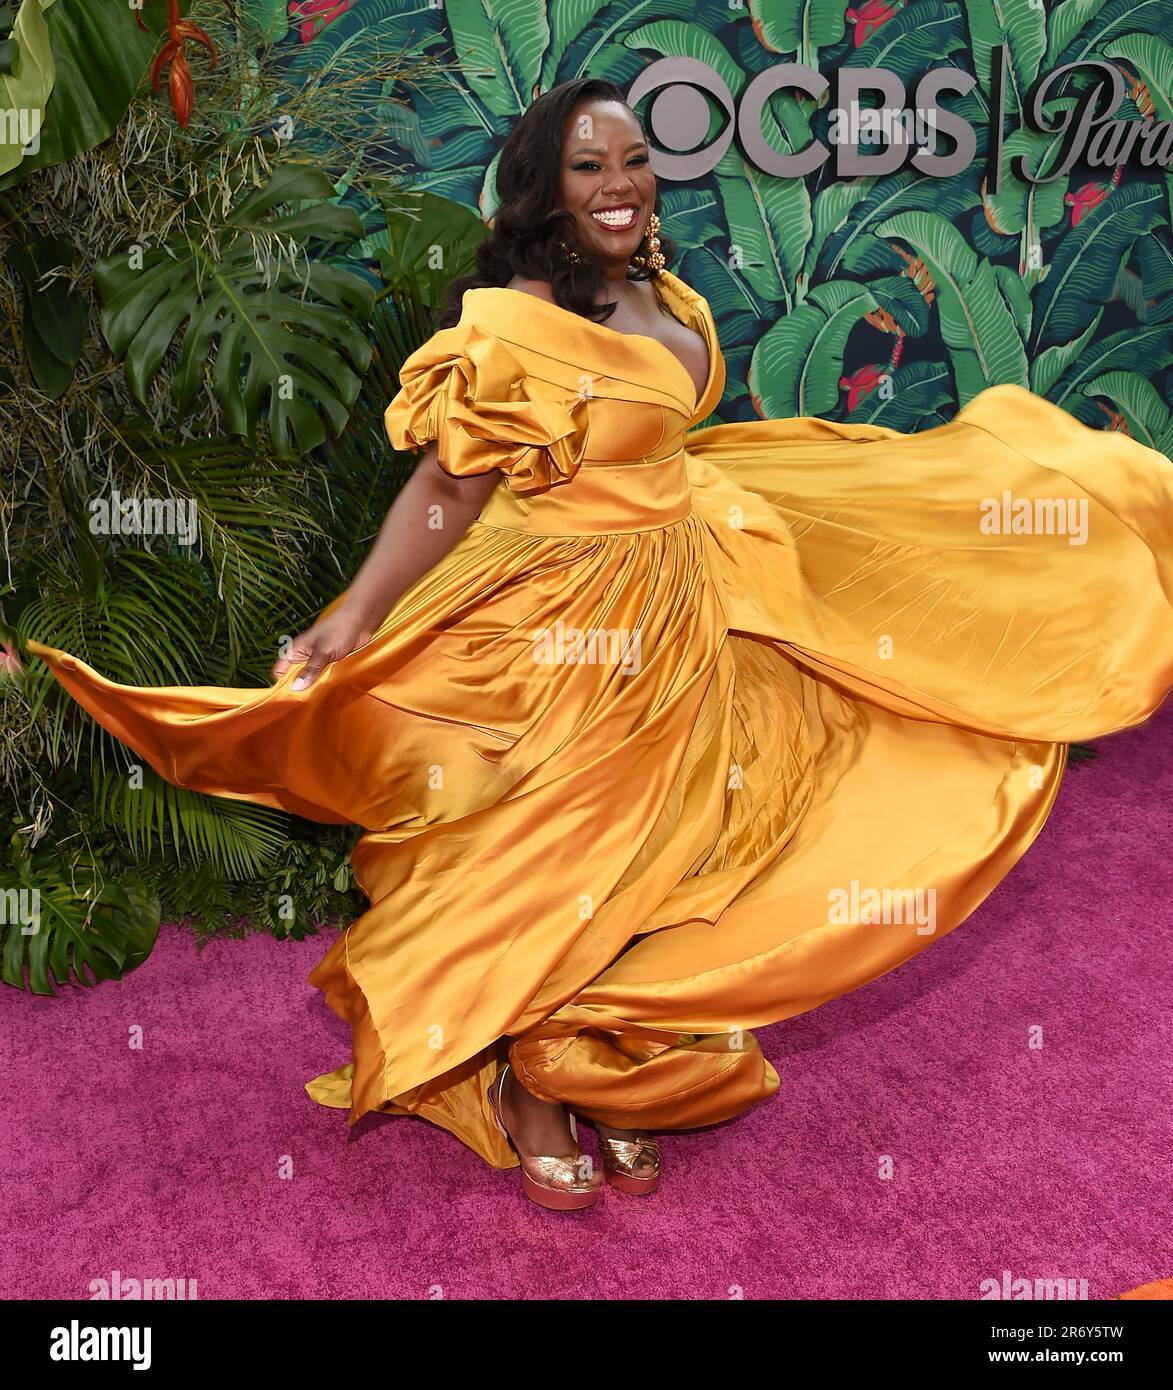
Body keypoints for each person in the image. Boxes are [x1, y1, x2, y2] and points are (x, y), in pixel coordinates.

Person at [28, 77, 1173, 1214]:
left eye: (634, 159)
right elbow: (446, 485)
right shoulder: (515, 324)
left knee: (681, 845)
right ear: (545, 185)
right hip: (561, 621)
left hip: (688, 594)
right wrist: (356, 612)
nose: (620, 184)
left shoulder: (661, 288)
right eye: (590, 166)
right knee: (556, 851)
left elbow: (663, 443)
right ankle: (532, 1086)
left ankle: (604, 1062)